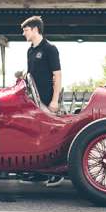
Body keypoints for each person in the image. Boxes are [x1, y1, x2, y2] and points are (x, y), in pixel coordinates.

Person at [20, 15, 64, 187]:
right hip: (33, 101)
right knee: (35, 137)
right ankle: (38, 173)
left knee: (50, 137)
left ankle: (56, 174)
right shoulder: (30, 50)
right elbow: (31, 74)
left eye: (26, 30)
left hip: (47, 99)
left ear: (35, 29)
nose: (23, 34)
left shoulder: (50, 49)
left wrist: (54, 101)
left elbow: (57, 75)